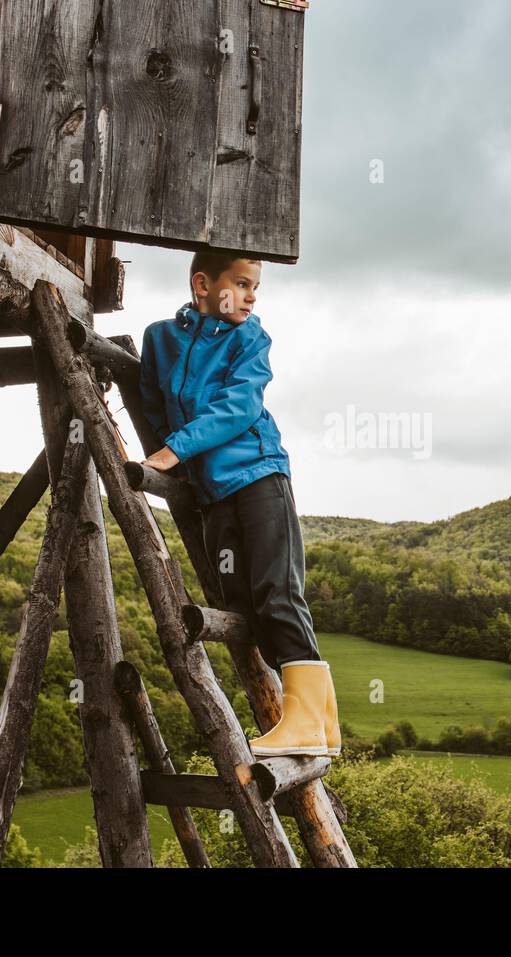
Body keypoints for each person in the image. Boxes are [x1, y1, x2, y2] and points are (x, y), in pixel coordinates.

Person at [136, 252, 340, 758]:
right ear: (202, 283)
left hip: (258, 474)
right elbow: (153, 405)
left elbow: (239, 407)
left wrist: (174, 451)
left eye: (256, 287)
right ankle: (323, 724)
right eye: (242, 284)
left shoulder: (249, 337)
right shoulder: (160, 338)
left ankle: (307, 723)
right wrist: (175, 455)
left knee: (277, 592)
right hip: (211, 493)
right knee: (239, 603)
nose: (252, 296)